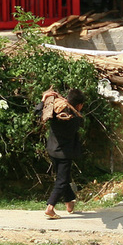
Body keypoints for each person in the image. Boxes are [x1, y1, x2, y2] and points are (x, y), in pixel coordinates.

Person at [40, 87, 85, 219]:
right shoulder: (76, 119)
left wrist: (44, 100)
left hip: (52, 150)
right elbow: (79, 120)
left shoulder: (54, 113)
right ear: (79, 105)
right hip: (64, 154)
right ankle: (50, 207)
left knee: (63, 178)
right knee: (62, 180)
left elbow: (40, 112)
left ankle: (69, 201)